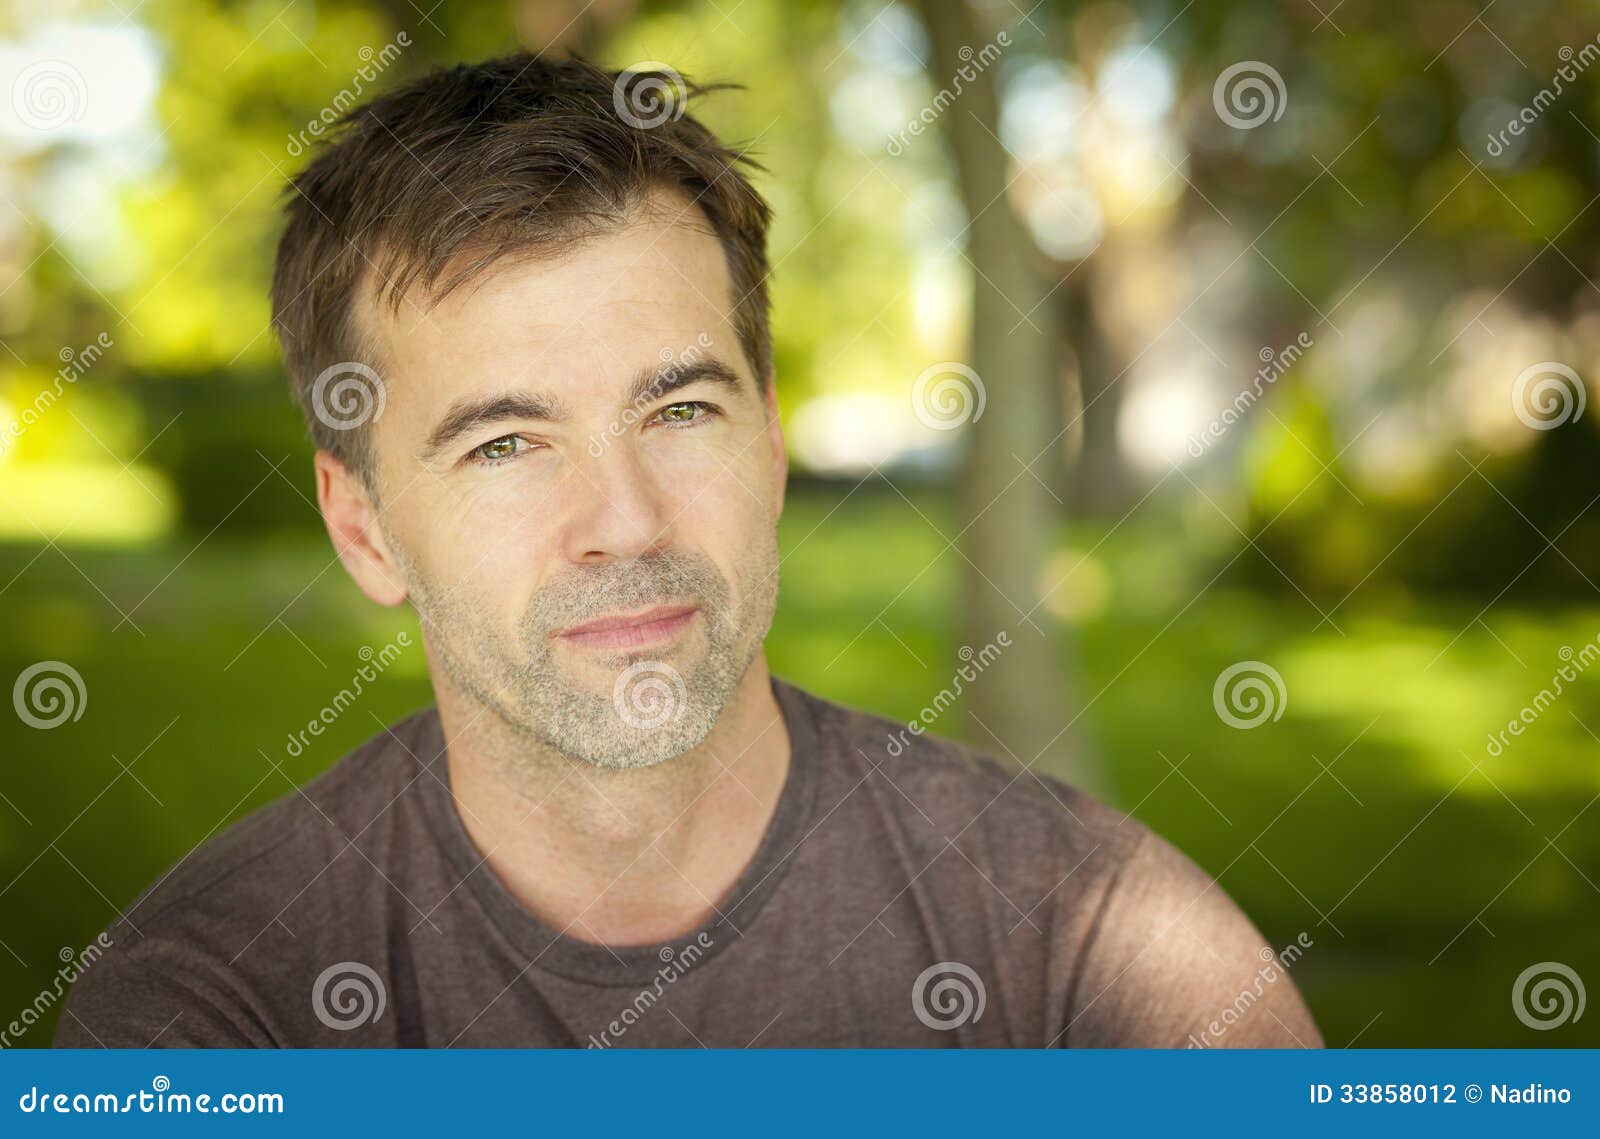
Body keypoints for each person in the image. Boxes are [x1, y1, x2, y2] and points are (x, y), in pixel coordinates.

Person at [56, 54, 1319, 1048]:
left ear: (770, 448)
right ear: (363, 526)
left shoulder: (1098, 958)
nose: (625, 519)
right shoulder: (215, 1013)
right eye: (503, 443)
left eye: (677, 411)